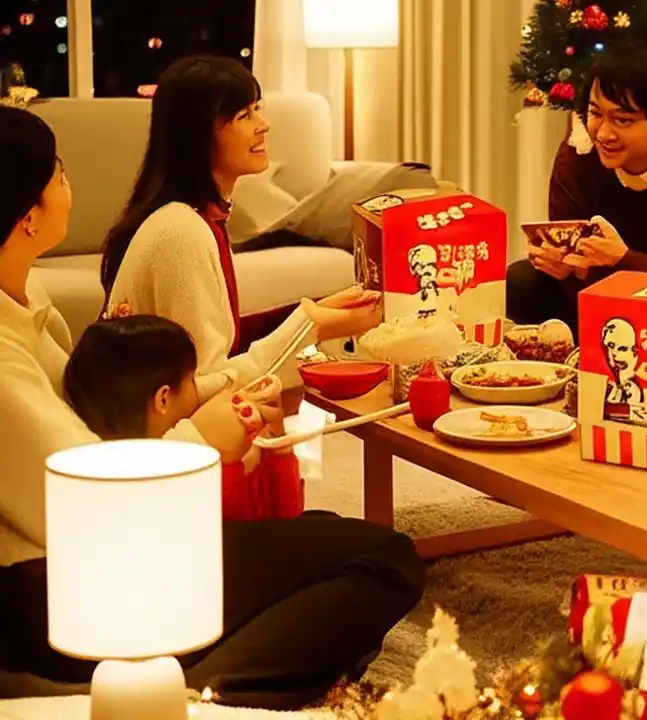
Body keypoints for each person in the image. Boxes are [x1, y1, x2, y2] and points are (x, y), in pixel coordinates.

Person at [0, 106, 425, 710]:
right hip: (53, 585)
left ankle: (239, 671)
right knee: (384, 560)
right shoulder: (174, 234)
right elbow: (88, 505)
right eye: (58, 173)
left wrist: (301, 327)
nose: (263, 127)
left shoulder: (25, 291)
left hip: (89, 549)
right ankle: (198, 696)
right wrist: (201, 438)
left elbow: (176, 388)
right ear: (26, 217)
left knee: (326, 545)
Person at [100, 55, 382, 403]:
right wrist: (314, 325)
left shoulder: (198, 217)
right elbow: (206, 387)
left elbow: (222, 340)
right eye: (243, 116)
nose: (263, 125)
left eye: (257, 109)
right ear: (199, 135)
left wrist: (313, 313)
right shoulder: (181, 231)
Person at [507, 45, 647, 329]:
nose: (603, 133)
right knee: (521, 281)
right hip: (591, 296)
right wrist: (564, 265)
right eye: (595, 113)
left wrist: (623, 260)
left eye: (623, 120)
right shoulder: (578, 156)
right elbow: (570, 254)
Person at [63, 314, 304, 521]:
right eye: (191, 380)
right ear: (163, 399)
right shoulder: (203, 475)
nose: (198, 389)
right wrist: (269, 450)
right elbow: (287, 520)